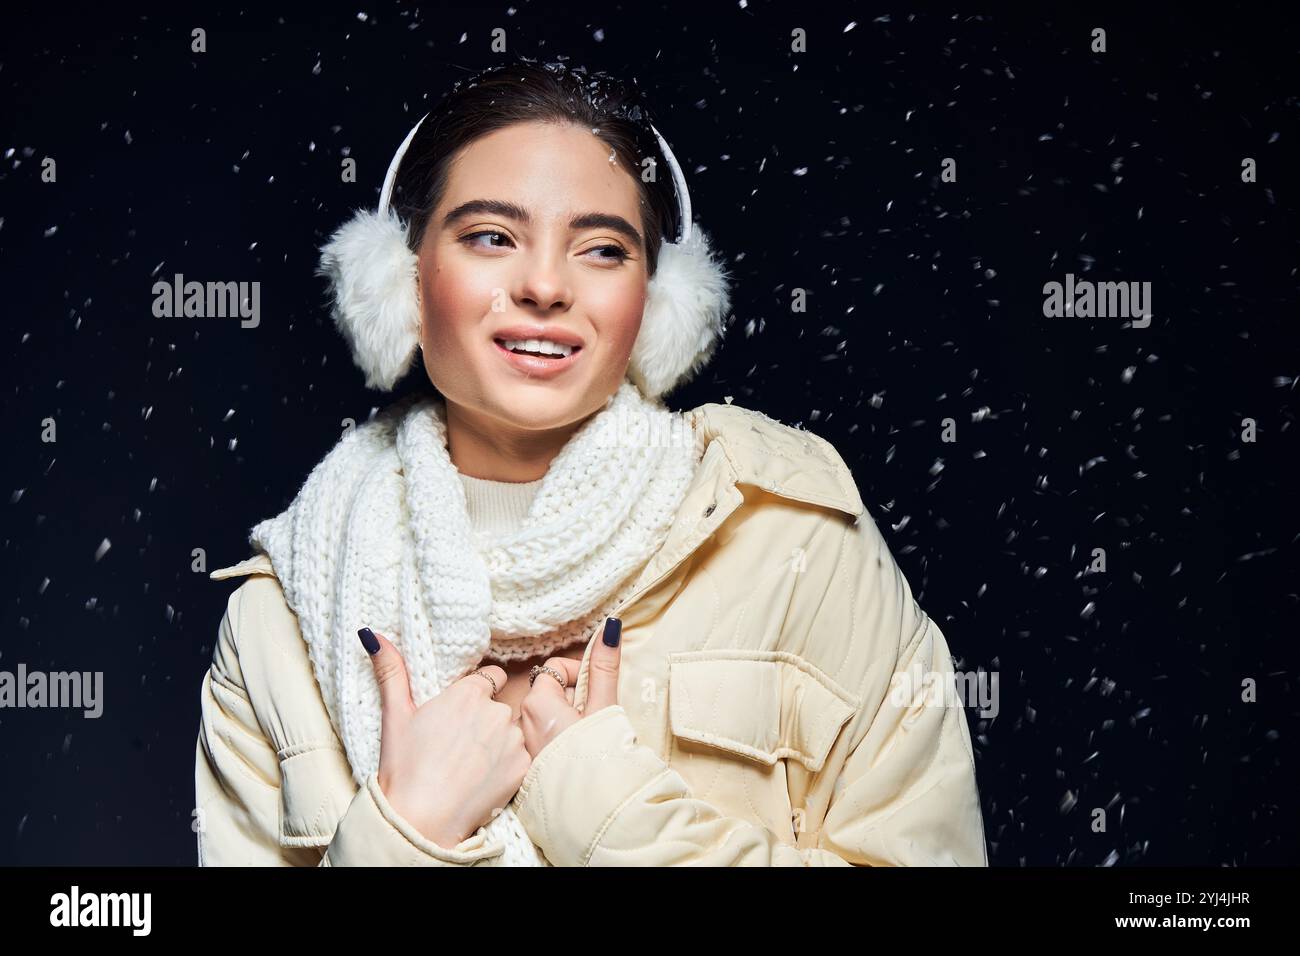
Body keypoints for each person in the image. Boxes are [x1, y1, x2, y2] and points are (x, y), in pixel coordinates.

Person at [194, 58, 988, 866]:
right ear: (400, 281)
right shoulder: (281, 618)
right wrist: (403, 832)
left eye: (603, 249)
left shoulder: (799, 545)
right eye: (491, 237)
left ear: (657, 301)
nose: (544, 285)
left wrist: (607, 813)